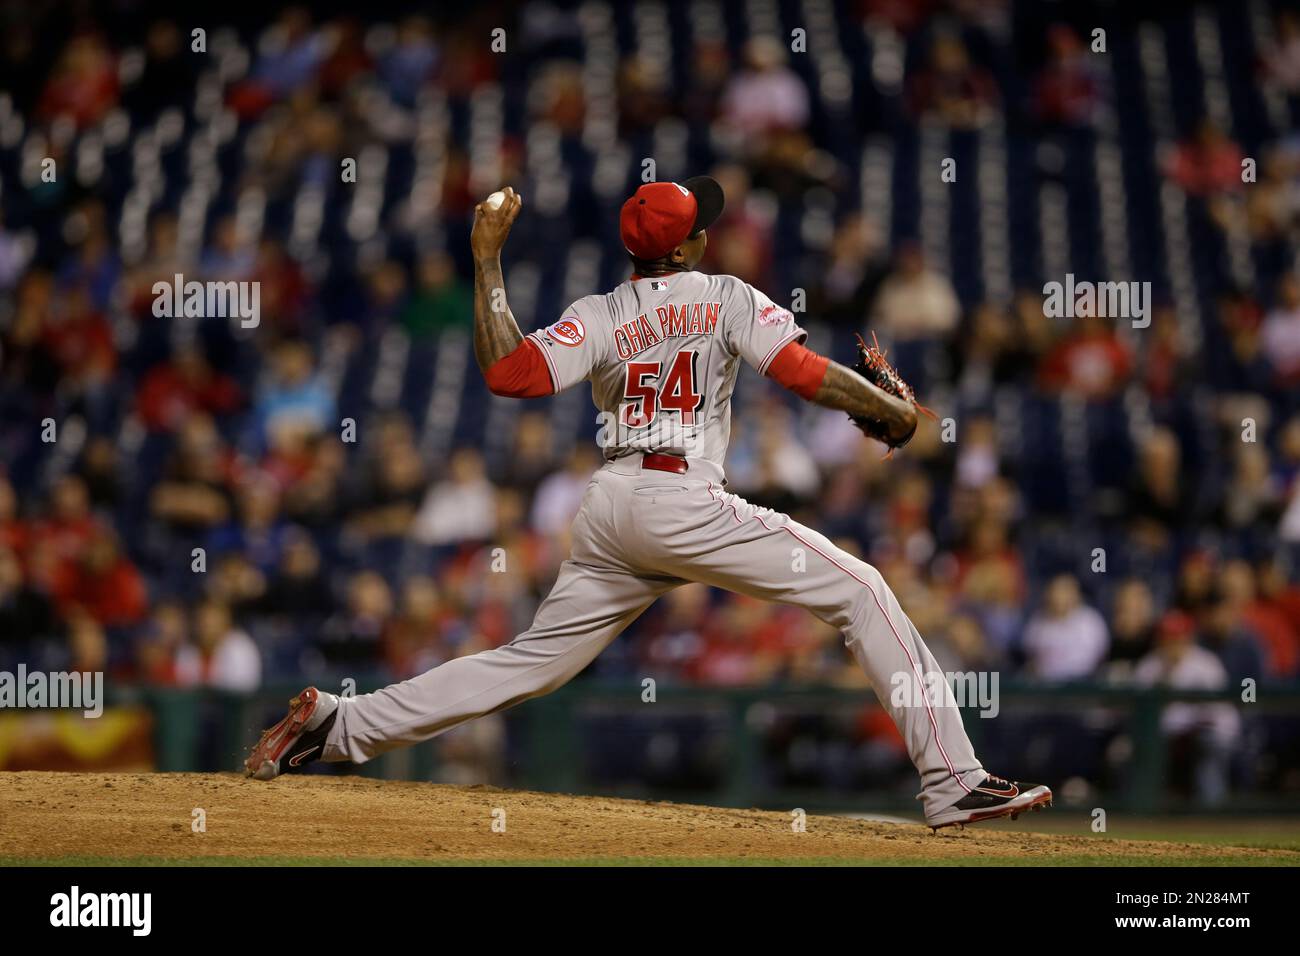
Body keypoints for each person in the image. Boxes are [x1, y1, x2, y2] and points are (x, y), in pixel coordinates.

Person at [246, 180, 1052, 829]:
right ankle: (954, 781)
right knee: (864, 589)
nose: (711, 231)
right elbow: (806, 374)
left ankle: (337, 725)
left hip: (610, 507)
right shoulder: (727, 294)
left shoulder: (597, 313)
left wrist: (487, 263)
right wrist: (893, 410)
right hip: (680, 501)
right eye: (703, 224)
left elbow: (507, 375)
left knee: (529, 664)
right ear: (688, 246)